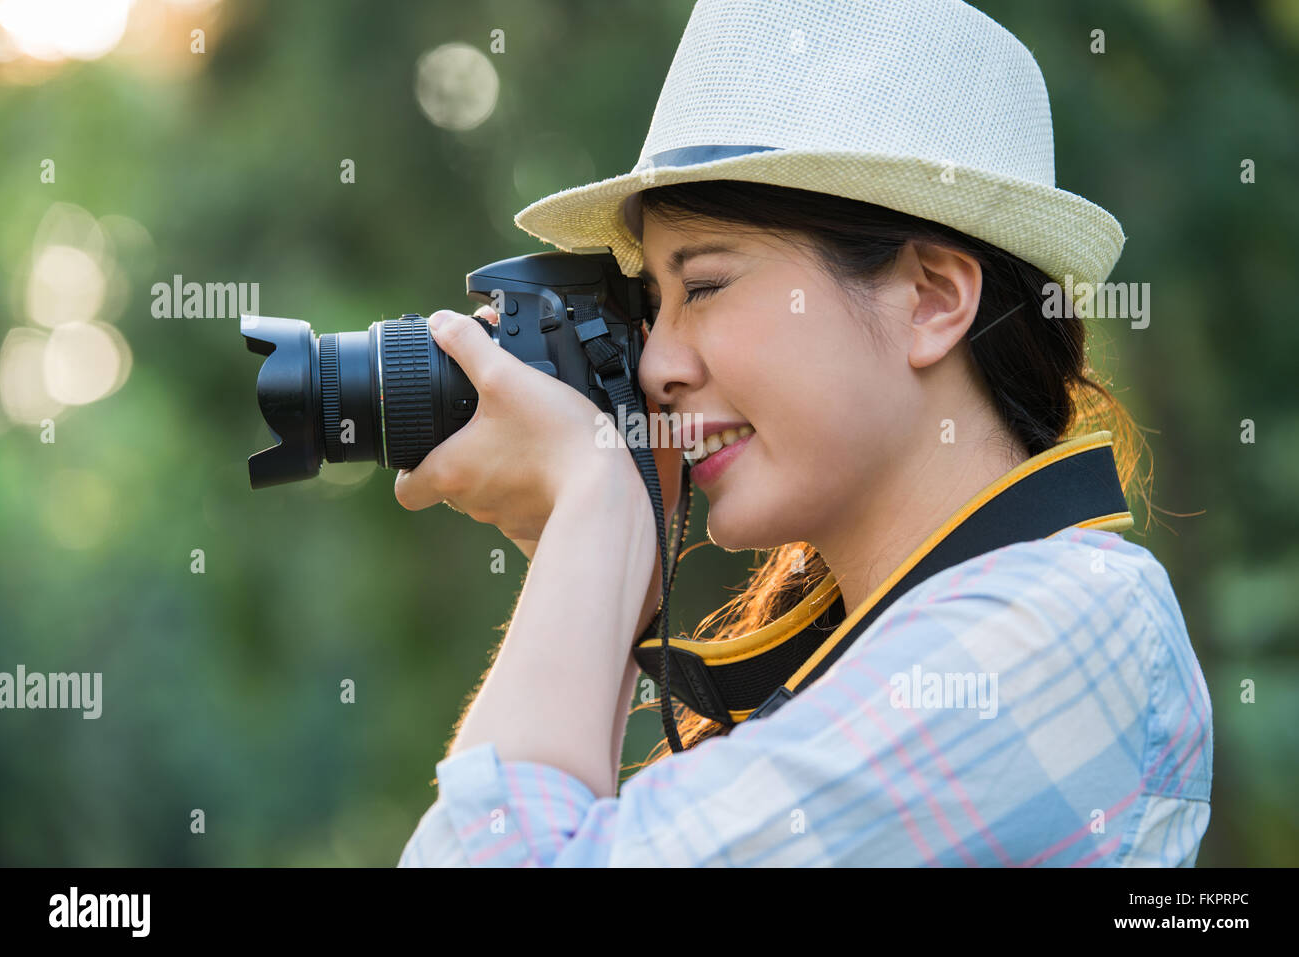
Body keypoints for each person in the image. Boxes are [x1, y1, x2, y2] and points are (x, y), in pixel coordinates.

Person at [394, 0, 1212, 866]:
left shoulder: (1060, 624)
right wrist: (613, 569)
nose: (655, 364)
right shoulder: (883, 666)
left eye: (703, 286)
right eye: (653, 308)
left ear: (931, 298)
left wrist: (595, 514)